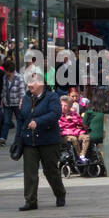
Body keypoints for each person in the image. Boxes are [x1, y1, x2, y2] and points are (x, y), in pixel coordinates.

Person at [18, 68, 67, 210]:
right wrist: (18, 139)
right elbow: (21, 118)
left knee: (50, 171)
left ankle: (60, 193)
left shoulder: (52, 97)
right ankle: (30, 201)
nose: (29, 85)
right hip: (29, 141)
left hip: (48, 140)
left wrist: (38, 121)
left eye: (32, 82)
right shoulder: (26, 98)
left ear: (41, 83)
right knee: (30, 172)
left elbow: (55, 114)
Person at [58, 95, 90, 164]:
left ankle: (82, 155)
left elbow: (82, 122)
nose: (63, 107)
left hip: (76, 132)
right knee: (73, 139)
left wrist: (73, 119)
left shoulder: (73, 114)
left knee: (86, 137)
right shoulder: (57, 114)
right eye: (61, 105)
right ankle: (79, 156)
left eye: (65, 105)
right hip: (64, 135)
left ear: (69, 106)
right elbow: (59, 126)